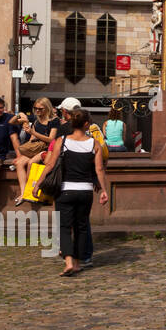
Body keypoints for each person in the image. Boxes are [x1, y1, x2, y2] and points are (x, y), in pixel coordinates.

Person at [39, 108, 109, 277]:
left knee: (64, 227)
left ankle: (69, 261)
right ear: (87, 124)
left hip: (65, 191)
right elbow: (99, 169)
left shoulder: (62, 141)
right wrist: (104, 190)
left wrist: (37, 183)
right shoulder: (94, 144)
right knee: (82, 227)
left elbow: (49, 165)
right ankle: (78, 263)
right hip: (85, 192)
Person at [13, 98, 59, 205]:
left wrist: (33, 132)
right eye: (35, 108)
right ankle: (23, 193)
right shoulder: (36, 119)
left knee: (30, 163)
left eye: (40, 109)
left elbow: (51, 139)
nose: (37, 111)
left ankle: (30, 190)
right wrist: (19, 114)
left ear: (47, 108)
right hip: (36, 148)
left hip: (47, 149)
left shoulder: (54, 120)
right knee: (19, 163)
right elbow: (11, 122)